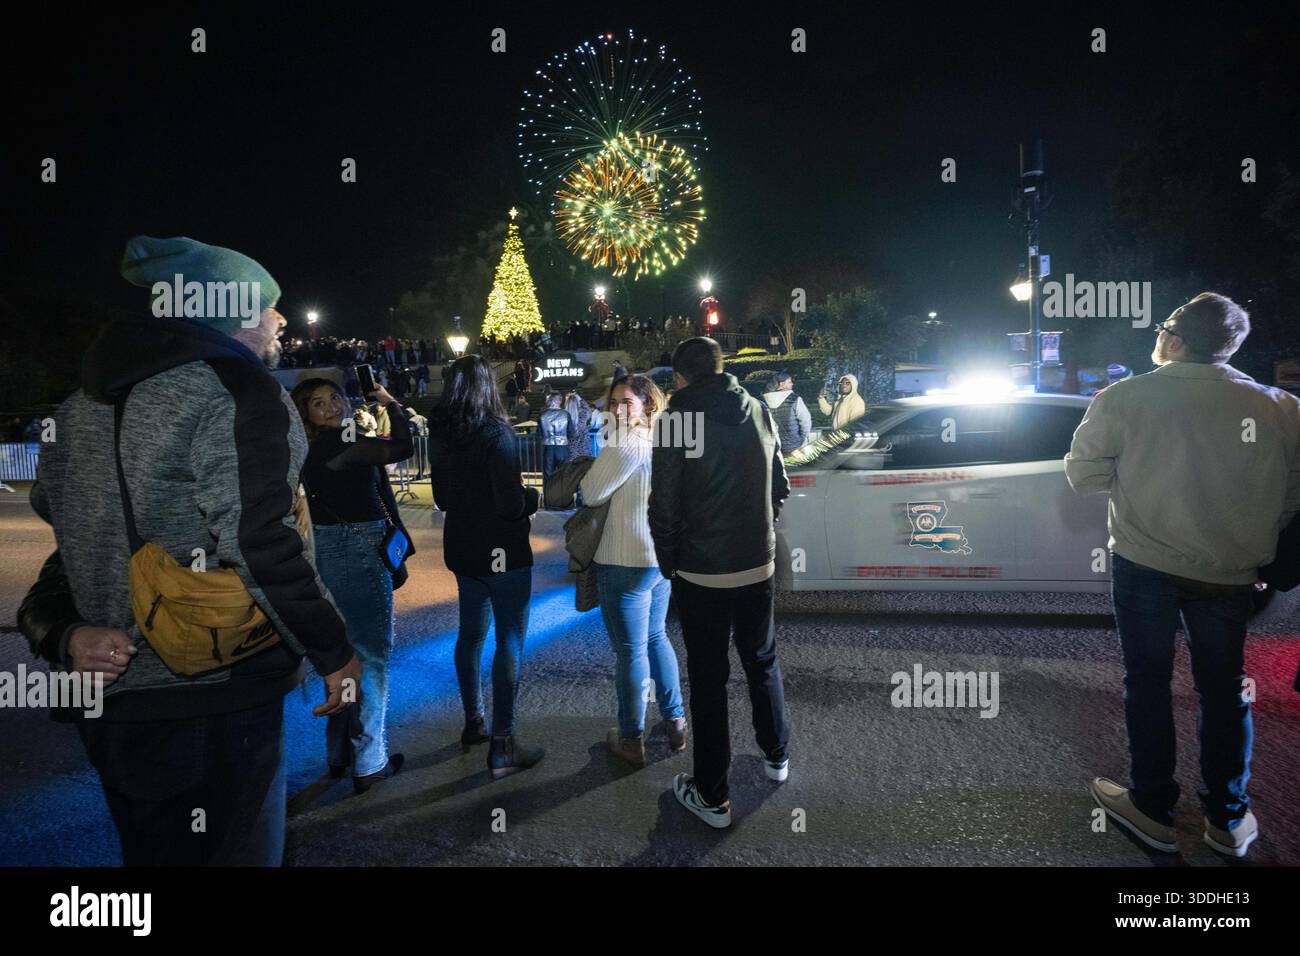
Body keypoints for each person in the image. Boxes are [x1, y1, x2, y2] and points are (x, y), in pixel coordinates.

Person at [18, 235, 360, 865]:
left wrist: (63, 633)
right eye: (268, 304)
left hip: (112, 701)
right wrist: (334, 650)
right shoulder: (236, 391)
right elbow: (261, 543)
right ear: (225, 310)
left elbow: (74, 546)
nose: (281, 319)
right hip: (215, 693)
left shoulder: (76, 407)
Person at [1066, 292, 1300, 857]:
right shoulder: (1281, 408)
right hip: (1230, 573)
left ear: (1173, 338)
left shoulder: (1125, 398)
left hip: (1145, 564)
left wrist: (1143, 478)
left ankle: (1152, 808)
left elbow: (1083, 476)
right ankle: (1228, 817)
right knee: (1224, 692)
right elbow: (1292, 498)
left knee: (1146, 684)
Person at [649, 337, 792, 828]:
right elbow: (781, 485)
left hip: (702, 570)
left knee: (709, 681)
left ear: (680, 377)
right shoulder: (757, 409)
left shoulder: (677, 420)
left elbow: (663, 505)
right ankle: (777, 755)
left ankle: (712, 794)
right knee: (762, 659)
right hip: (758, 563)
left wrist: (670, 561)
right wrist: (762, 538)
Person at [292, 376, 415, 794]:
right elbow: (402, 448)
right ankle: (370, 761)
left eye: (334, 399)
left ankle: (340, 753)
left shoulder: (324, 445)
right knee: (373, 656)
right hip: (357, 549)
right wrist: (391, 402)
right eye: (317, 404)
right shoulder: (335, 446)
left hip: (334, 550)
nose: (329, 408)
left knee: (345, 651)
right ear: (305, 414)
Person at [428, 355, 544, 778]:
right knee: (509, 639)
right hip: (503, 550)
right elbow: (510, 505)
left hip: (463, 547)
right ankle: (504, 742)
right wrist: (532, 498)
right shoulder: (497, 432)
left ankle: (473, 722)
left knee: (471, 636)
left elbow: (441, 498)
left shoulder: (442, 432)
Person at [580, 375, 687, 766]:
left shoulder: (625, 441)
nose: (618, 410)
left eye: (626, 402)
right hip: (656, 557)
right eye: (613, 403)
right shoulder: (664, 437)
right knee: (657, 638)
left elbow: (590, 493)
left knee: (629, 651)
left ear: (647, 404)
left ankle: (630, 737)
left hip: (624, 559)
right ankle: (676, 722)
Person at [763, 371, 813, 452]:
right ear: (782, 384)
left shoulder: (762, 401)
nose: (792, 384)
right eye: (789, 382)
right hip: (794, 446)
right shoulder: (795, 399)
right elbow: (806, 422)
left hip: (772, 448)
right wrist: (802, 439)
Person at [539, 391, 575, 479]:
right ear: (559, 401)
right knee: (564, 475)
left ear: (550, 401)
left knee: (548, 476)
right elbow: (571, 432)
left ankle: (548, 492)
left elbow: (539, 434)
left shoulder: (542, 415)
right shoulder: (566, 414)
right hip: (562, 448)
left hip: (548, 448)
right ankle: (563, 492)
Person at [564, 389, 595, 458]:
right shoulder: (583, 415)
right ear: (578, 404)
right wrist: (577, 396)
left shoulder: (564, 417)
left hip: (570, 451)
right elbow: (588, 409)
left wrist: (567, 400)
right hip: (584, 450)